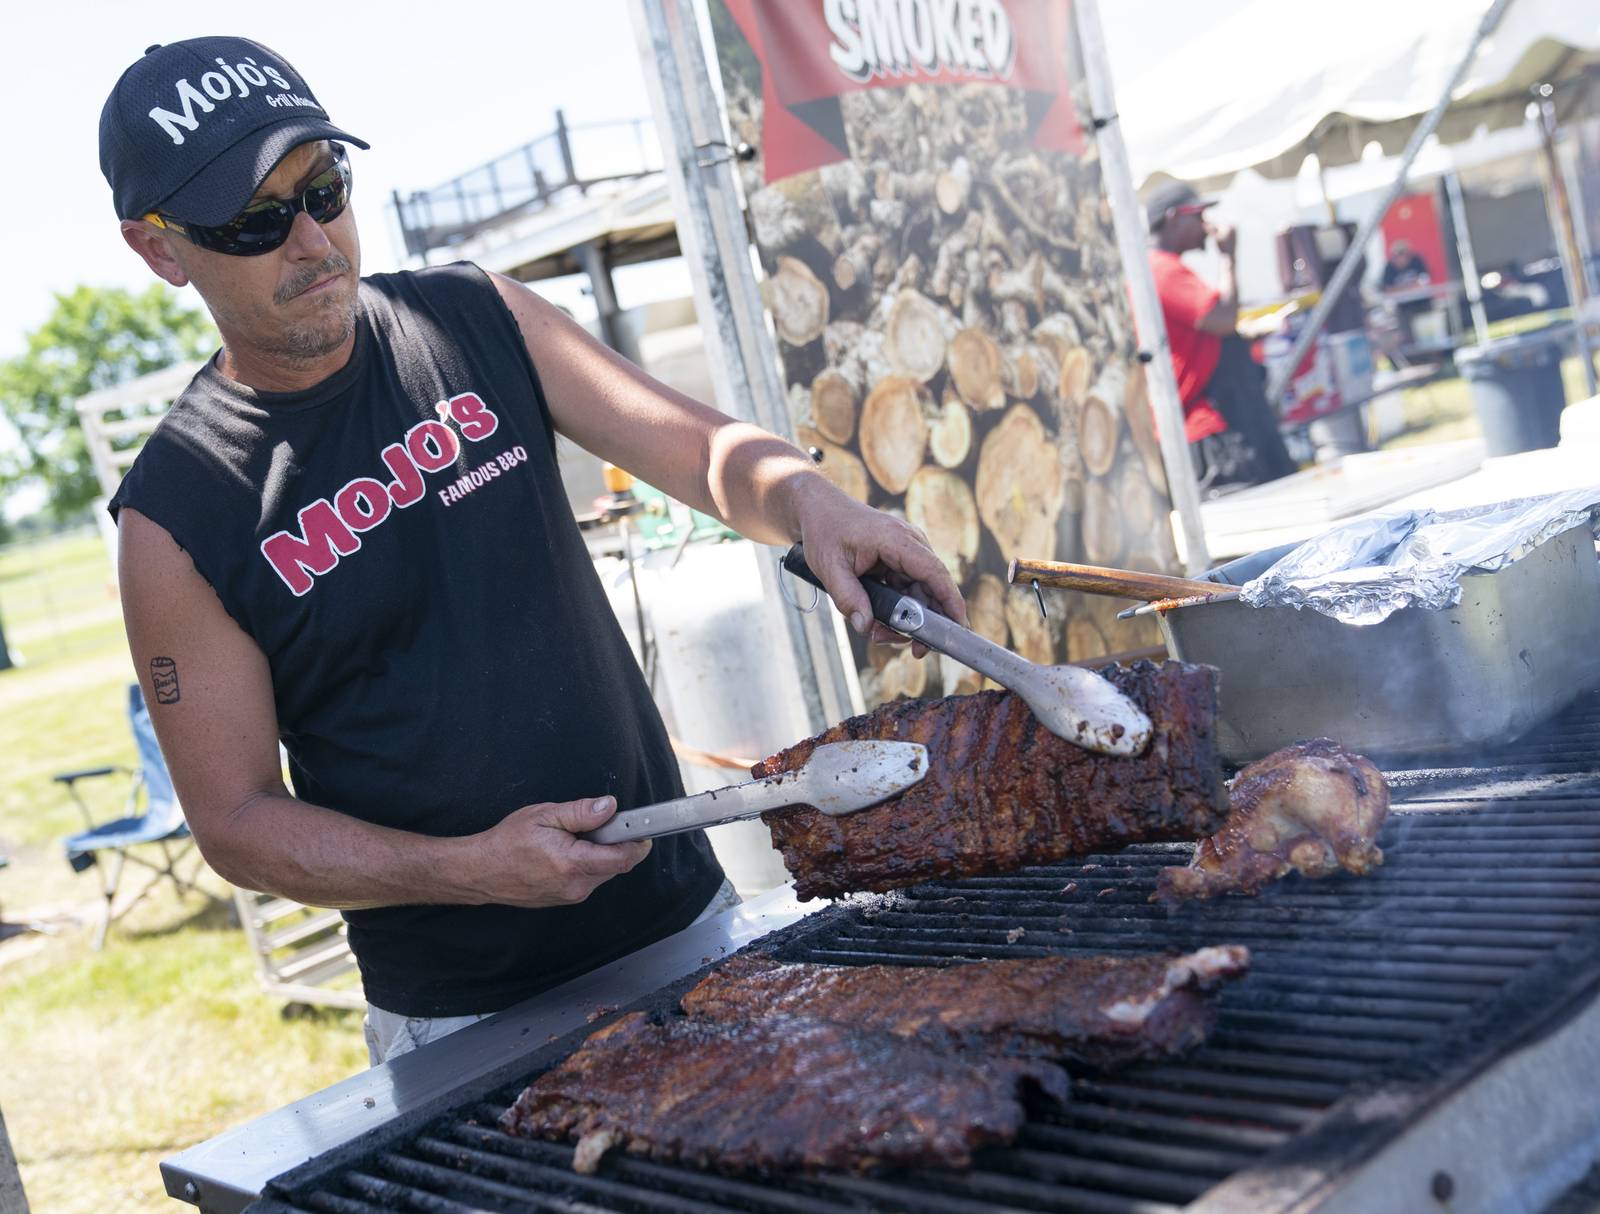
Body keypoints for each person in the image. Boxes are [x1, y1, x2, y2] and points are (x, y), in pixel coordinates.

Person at [99, 37, 965, 1064]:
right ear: (159, 249)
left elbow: (698, 446)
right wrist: (468, 867)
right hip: (464, 1018)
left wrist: (810, 501)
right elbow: (236, 820)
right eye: (254, 220)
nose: (313, 239)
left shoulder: (471, 318)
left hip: (683, 921)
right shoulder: (176, 513)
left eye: (324, 187)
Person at [1146, 181, 1297, 495]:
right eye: (1199, 216)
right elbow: (1222, 318)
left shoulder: (1163, 269)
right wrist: (1229, 257)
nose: (1206, 226)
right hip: (1215, 428)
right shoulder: (1163, 271)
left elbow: (1206, 332)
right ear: (1174, 218)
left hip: (1226, 418)